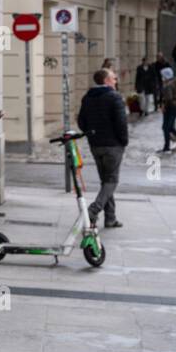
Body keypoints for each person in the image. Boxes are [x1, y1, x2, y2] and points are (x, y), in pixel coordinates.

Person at [77, 68, 128, 230]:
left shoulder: (88, 97)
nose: (116, 81)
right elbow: (121, 123)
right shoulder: (114, 97)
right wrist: (124, 141)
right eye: (113, 78)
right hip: (113, 145)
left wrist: (91, 136)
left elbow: (81, 121)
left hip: (95, 145)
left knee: (106, 181)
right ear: (106, 81)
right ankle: (93, 210)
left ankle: (110, 218)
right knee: (111, 181)